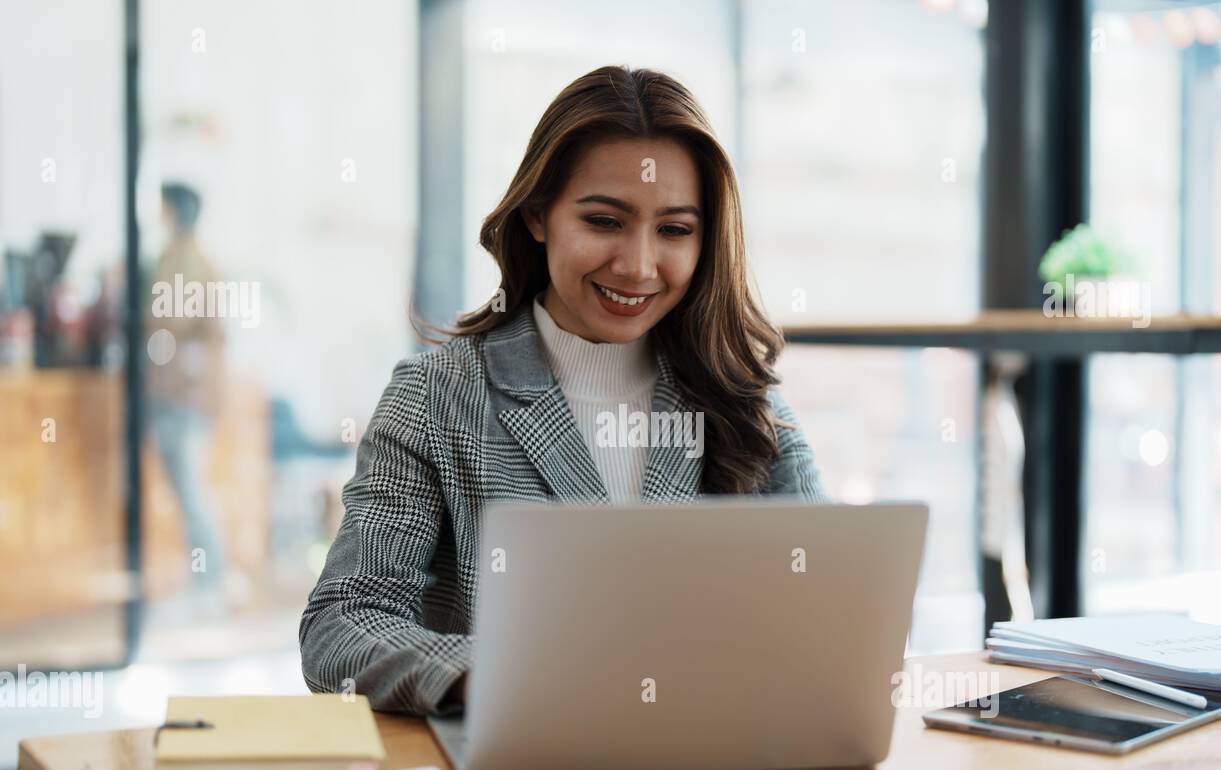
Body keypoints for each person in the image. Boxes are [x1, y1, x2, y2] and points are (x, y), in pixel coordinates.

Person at [300, 66, 829, 717]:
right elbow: (343, 624)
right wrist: (494, 678)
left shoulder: (743, 399)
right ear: (538, 214)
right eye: (605, 221)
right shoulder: (437, 398)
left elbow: (826, 618)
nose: (637, 266)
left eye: (674, 230)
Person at [146, 182, 228, 608]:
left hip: (186, 396)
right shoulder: (182, 257)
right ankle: (206, 583)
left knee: (193, 491)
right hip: (181, 393)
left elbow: (172, 321)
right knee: (188, 490)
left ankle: (209, 585)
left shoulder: (185, 260)